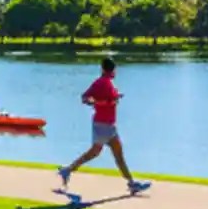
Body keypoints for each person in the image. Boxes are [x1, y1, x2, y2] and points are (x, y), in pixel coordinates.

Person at [58, 58, 151, 194]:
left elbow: (107, 99)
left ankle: (132, 183)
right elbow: (86, 97)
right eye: (113, 70)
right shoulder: (101, 83)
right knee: (99, 153)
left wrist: (115, 97)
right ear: (110, 70)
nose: (115, 72)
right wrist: (98, 102)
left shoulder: (107, 83)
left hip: (108, 125)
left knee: (108, 154)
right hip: (103, 124)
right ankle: (68, 170)